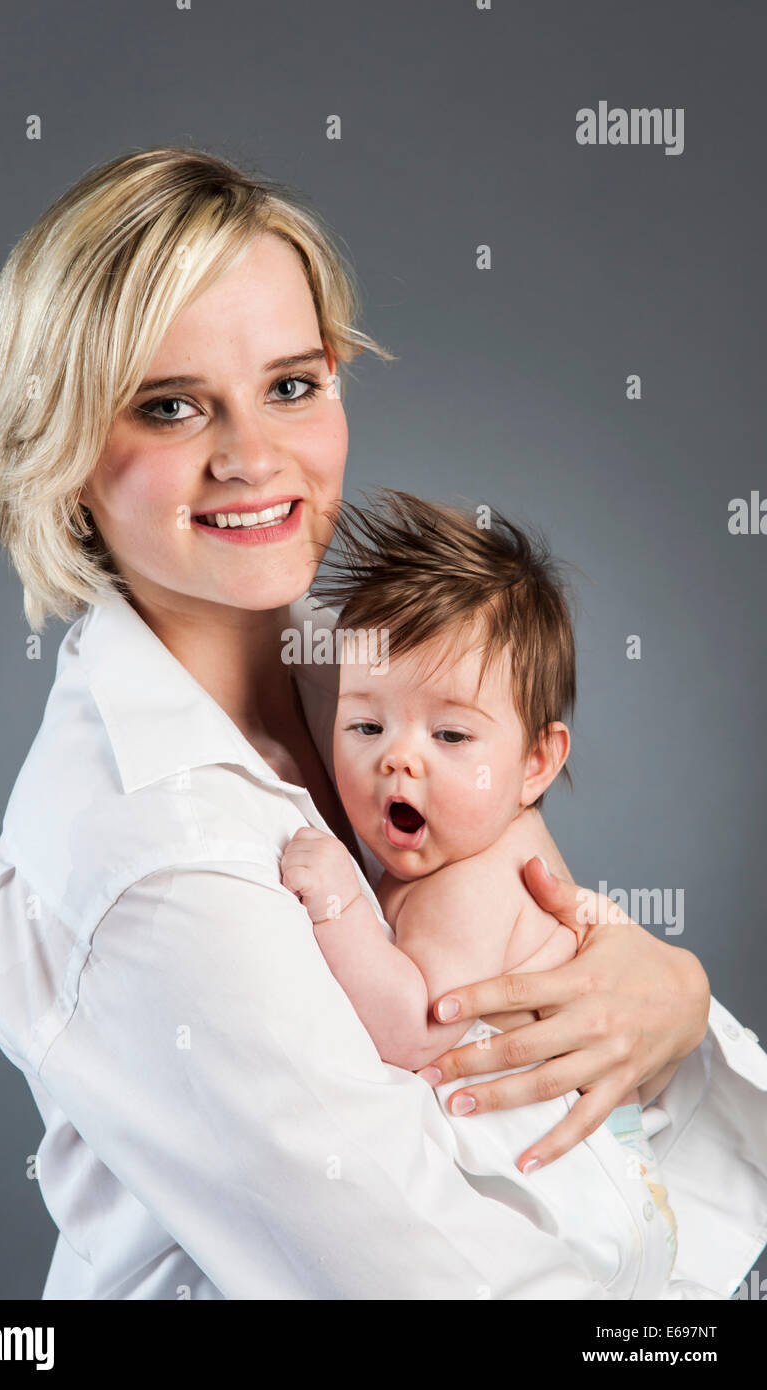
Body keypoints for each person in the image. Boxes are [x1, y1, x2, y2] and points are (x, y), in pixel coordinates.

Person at [0, 145, 767, 1300]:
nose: (252, 459)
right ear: (69, 449)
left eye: (291, 385)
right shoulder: (149, 852)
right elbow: (431, 1274)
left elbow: (543, 971)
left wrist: (671, 1004)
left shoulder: (370, 681)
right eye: (172, 406)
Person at [280, 490, 682, 1295]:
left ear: (537, 762)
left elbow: (417, 1030)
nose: (400, 760)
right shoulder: (481, 840)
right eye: (367, 727)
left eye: (451, 735)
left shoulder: (469, 882)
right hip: (599, 1173)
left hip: (578, 1197)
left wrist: (335, 902)